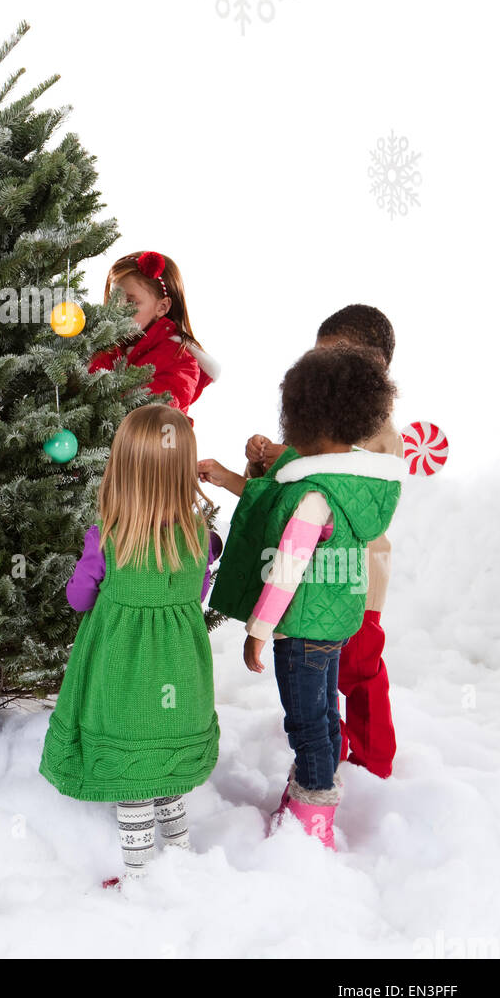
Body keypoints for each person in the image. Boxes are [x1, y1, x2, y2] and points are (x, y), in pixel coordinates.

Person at [200, 346, 402, 851]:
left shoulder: (312, 494)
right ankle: (318, 789)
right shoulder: (355, 483)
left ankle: (313, 822)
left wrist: (258, 630)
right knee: (325, 715)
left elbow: (286, 569)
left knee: (307, 722)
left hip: (301, 630)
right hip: (337, 622)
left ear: (304, 418)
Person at [39, 404, 220, 885]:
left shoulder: (107, 539)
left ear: (122, 469)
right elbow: (198, 593)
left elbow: (78, 599)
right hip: (179, 679)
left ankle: (139, 881)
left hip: (124, 683)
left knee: (134, 785)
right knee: (167, 774)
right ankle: (181, 863)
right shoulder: (199, 537)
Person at [243, 305, 404, 778]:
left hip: (358, 577)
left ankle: (374, 758)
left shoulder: (380, 432)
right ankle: (331, 745)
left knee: (359, 668)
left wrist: (290, 457)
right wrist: (265, 460)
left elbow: (341, 470)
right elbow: (292, 485)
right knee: (322, 669)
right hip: (318, 579)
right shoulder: (326, 422)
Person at [88, 250, 219, 419]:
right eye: (114, 299)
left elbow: (155, 415)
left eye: (131, 302)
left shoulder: (180, 361)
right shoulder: (106, 348)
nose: (117, 309)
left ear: (162, 307)